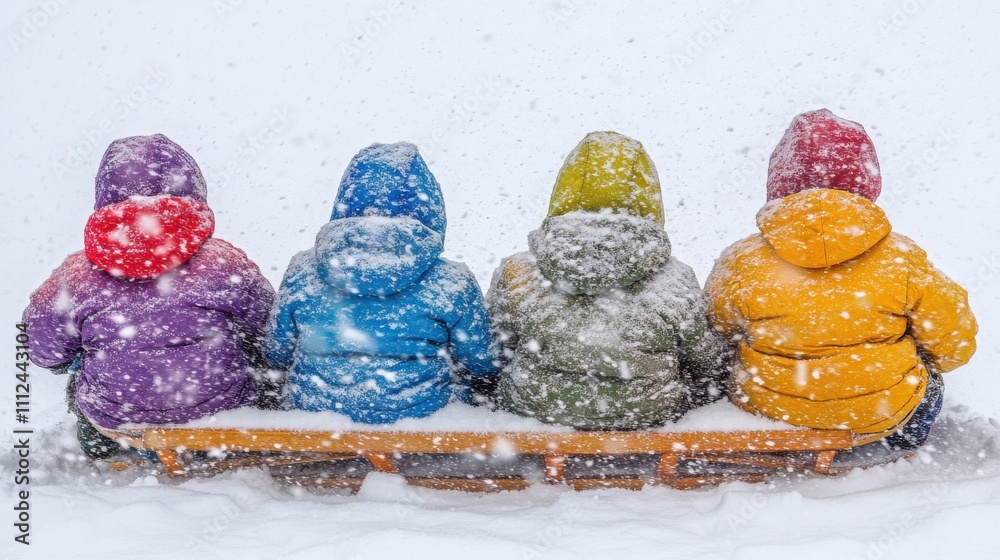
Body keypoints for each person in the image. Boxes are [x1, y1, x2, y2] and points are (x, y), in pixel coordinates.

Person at [705, 109, 978, 448]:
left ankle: (789, 436)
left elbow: (717, 330)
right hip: (879, 412)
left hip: (769, 410)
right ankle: (902, 444)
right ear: (867, 178)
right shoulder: (902, 257)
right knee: (932, 382)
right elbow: (953, 343)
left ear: (779, 179)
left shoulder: (742, 259)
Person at [22, 134, 276, 459]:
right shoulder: (224, 263)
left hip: (118, 421)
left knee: (79, 362)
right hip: (220, 414)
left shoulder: (75, 275)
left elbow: (41, 348)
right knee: (255, 353)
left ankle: (104, 450)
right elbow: (268, 329)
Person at [488, 131, 732, 430]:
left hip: (537, 414)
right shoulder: (675, 279)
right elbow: (705, 359)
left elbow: (495, 352)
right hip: (645, 415)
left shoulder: (518, 271)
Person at [266, 142, 497, 423]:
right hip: (423, 421)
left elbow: (275, 354)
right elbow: (481, 362)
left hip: (315, 418)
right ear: (430, 207)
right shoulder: (452, 280)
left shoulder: (302, 270)